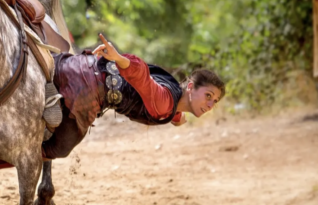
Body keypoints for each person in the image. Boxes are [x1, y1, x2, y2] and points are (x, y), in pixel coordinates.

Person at [42, 33, 226, 160]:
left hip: (80, 66)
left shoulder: (173, 97)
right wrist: (120, 58)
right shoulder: (165, 103)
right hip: (84, 88)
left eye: (215, 101)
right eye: (208, 95)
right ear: (191, 87)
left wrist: (177, 117)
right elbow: (142, 78)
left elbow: (163, 98)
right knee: (59, 149)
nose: (210, 104)